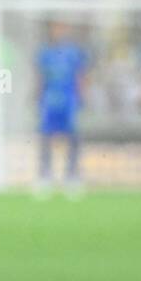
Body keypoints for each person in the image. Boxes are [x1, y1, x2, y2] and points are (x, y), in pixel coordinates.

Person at [35, 20, 88, 196]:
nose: (58, 31)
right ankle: (45, 177)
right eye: (55, 28)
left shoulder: (73, 52)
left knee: (73, 138)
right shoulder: (45, 53)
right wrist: (37, 95)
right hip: (50, 100)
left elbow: (80, 75)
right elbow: (40, 76)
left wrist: (81, 95)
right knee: (46, 138)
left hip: (68, 101)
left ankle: (72, 177)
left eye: (61, 27)